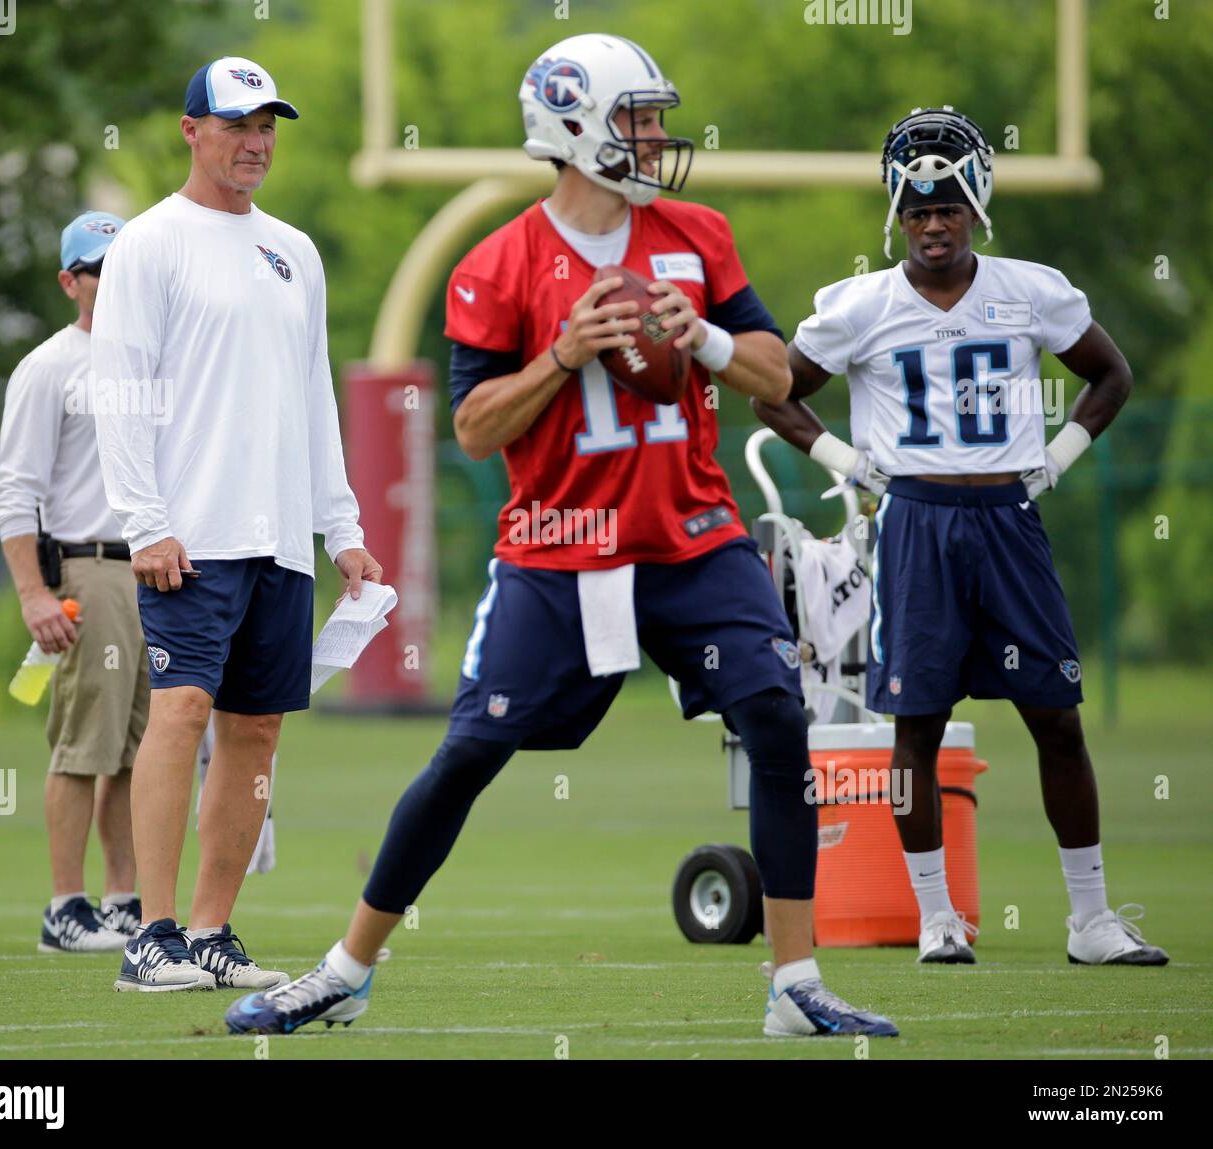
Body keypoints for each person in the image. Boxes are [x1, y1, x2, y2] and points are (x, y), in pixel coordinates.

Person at [227, 33, 898, 1039]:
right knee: (467, 756)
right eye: (637, 117)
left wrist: (703, 337)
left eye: (654, 117)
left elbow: (776, 371)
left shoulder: (697, 236)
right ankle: (345, 968)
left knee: (775, 718)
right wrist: (560, 356)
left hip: (691, 536)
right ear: (575, 125)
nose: (657, 136)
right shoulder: (497, 264)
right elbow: (470, 428)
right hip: (556, 547)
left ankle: (795, 984)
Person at [752, 106, 1167, 967]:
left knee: (1056, 718)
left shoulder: (1030, 289)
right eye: (916, 208)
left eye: (946, 208)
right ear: (896, 214)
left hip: (1010, 522)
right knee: (916, 723)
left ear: (976, 206)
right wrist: (847, 458)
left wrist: (1055, 458)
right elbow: (773, 391)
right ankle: (937, 915)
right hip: (916, 525)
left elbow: (1110, 374)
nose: (932, 225)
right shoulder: (863, 303)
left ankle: (1089, 919)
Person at [91, 56, 379, 992]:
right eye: (238, 125)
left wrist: (341, 527)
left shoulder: (295, 248)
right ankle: (151, 932)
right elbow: (121, 390)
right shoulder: (149, 242)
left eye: (268, 128)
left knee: (257, 733)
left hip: (281, 538)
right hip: (187, 536)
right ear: (192, 130)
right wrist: (145, 523)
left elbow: (313, 399)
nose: (256, 143)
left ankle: (213, 927)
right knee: (179, 713)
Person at [0, 210, 145, 954]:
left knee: (136, 749)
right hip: (86, 562)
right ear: (71, 281)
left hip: (154, 565)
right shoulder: (51, 366)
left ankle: (123, 898)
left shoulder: (153, 361)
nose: (112, 286)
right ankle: (65, 906)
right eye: (98, 273)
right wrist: (33, 593)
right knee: (84, 742)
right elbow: (14, 488)